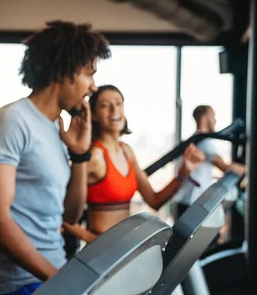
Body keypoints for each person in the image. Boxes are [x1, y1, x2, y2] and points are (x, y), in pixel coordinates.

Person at [0, 20, 111, 295]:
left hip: (52, 272)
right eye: (88, 73)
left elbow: (69, 214)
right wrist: (57, 280)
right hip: (19, 282)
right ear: (63, 69)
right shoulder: (11, 122)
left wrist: (79, 155)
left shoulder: (52, 127)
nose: (93, 86)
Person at [62, 84, 205, 244]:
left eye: (118, 103)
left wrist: (182, 174)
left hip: (124, 247)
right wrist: (91, 239)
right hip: (101, 252)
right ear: (93, 115)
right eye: (104, 105)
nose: (114, 110)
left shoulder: (126, 151)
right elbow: (61, 214)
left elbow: (154, 200)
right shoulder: (94, 156)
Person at [173, 105, 246, 218]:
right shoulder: (203, 143)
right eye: (213, 116)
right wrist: (248, 169)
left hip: (185, 202)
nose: (215, 120)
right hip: (192, 204)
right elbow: (224, 166)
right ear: (203, 119)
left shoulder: (193, 140)